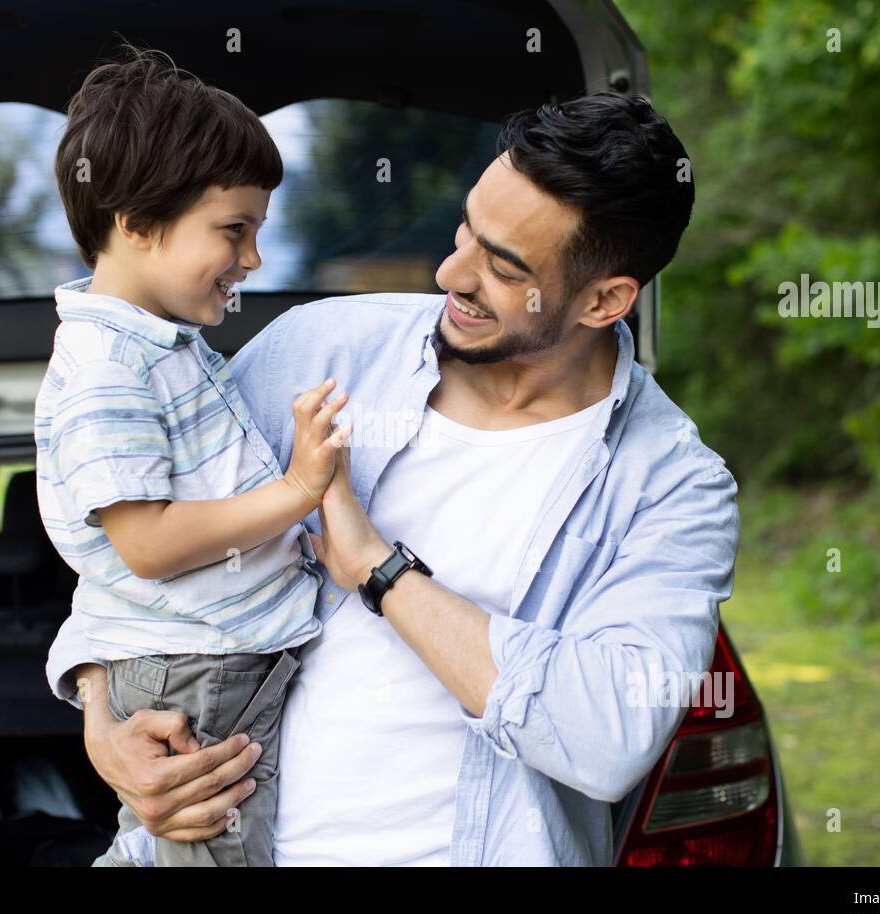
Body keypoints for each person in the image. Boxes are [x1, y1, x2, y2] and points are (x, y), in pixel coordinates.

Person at [47, 90, 741, 865]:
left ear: (605, 300)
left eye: (503, 267)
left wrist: (380, 571)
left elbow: (609, 736)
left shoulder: (673, 486)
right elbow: (142, 541)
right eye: (464, 233)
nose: (452, 273)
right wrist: (102, 717)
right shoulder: (318, 349)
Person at [35, 45, 349, 867]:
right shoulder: (110, 368)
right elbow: (147, 543)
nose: (251, 260)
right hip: (194, 679)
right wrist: (297, 492)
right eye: (234, 230)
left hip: (204, 665)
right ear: (136, 223)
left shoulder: (167, 349)